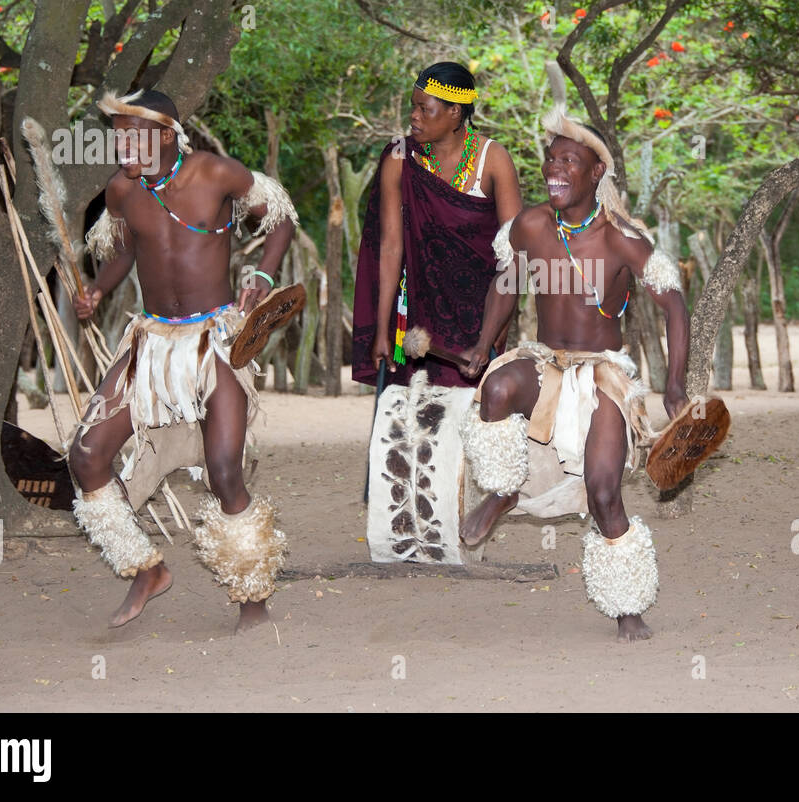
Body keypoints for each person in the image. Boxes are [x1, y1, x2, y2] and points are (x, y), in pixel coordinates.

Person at [457, 106, 689, 642]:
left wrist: (674, 385)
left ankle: (628, 607)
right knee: (495, 385)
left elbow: (675, 303)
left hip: (602, 375)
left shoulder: (621, 237)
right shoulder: (531, 225)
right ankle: (503, 488)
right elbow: (506, 282)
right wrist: (483, 342)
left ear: (596, 173)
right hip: (544, 362)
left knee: (605, 493)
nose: (555, 169)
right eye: (551, 159)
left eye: (570, 161)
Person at [68, 89, 297, 632]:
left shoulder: (215, 173)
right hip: (150, 343)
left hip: (214, 339)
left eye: (131, 134)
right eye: (116, 134)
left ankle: (253, 599)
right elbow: (126, 248)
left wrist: (263, 277)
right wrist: (98, 290)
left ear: (167, 134)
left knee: (223, 470)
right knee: (86, 454)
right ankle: (144, 568)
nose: (121, 144)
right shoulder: (123, 190)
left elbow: (281, 216)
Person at [351, 62, 522, 389]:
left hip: (479, 318)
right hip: (417, 319)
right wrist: (382, 328)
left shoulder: (494, 160)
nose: (414, 116)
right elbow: (389, 246)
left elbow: (513, 257)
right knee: (417, 424)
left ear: (455, 112)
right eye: (412, 107)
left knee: (472, 423)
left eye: (424, 109)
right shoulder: (400, 159)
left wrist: (494, 337)